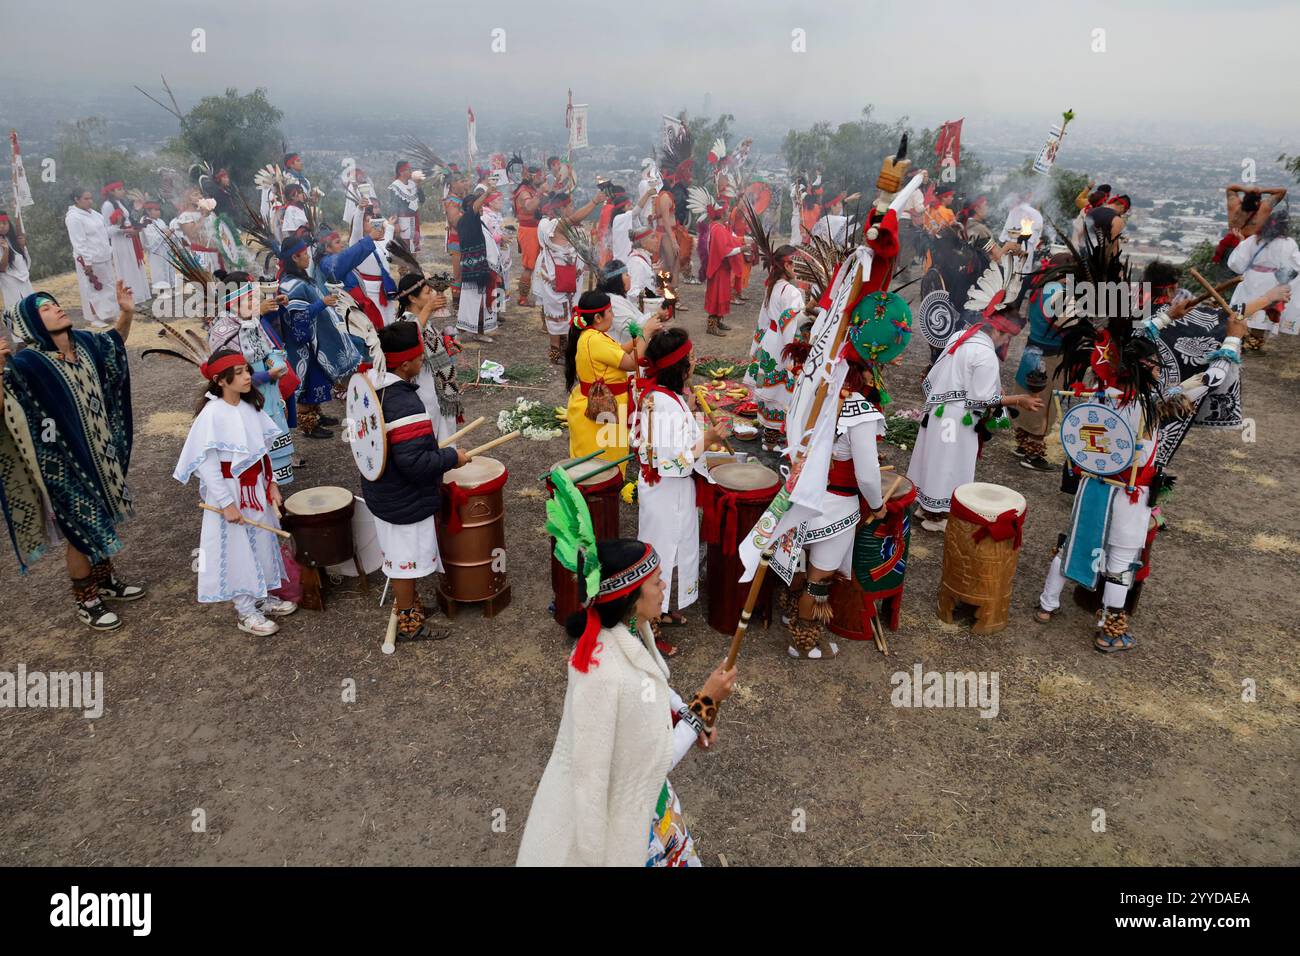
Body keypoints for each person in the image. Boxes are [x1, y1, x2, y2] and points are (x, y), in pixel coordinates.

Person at [516, 532, 737, 867]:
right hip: (625, 822)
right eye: (658, 582)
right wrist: (704, 703)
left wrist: (684, 713)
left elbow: (652, 686)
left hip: (648, 804)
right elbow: (651, 764)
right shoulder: (604, 673)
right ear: (632, 597)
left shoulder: (629, 632)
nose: (665, 588)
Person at [0, 286, 144, 629]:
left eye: (55, 303)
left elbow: (115, 345)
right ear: (33, 323)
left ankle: (104, 580)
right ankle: (86, 600)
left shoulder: (84, 342)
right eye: (46, 309)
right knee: (80, 531)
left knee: (101, 519)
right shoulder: (27, 363)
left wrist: (126, 313)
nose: (57, 309)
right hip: (60, 464)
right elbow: (5, 408)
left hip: (100, 453)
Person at [781, 300, 901, 660]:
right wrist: (878, 506)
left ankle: (793, 617)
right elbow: (866, 474)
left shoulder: (816, 393)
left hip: (802, 494)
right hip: (835, 504)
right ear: (865, 369)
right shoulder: (857, 410)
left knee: (802, 562)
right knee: (820, 576)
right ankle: (803, 642)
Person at [906, 262, 1042, 531]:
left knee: (933, 458)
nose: (1006, 343)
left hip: (938, 411)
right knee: (948, 464)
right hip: (957, 418)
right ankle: (937, 515)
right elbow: (982, 399)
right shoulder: (985, 354)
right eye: (1007, 337)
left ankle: (926, 507)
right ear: (998, 331)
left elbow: (947, 375)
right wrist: (1019, 400)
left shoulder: (961, 336)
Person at [173, 349, 297, 636]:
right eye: (239, 372)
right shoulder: (211, 415)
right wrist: (227, 503)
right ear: (221, 381)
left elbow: (263, 451)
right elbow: (206, 464)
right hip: (230, 491)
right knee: (239, 548)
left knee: (264, 539)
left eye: (246, 370)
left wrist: (272, 483)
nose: (247, 376)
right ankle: (245, 610)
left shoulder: (250, 406)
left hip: (256, 489)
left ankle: (263, 596)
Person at [360, 322, 469, 641]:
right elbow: (416, 464)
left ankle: (411, 607)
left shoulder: (369, 384)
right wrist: (453, 458)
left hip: (382, 488)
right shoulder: (405, 403)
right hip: (402, 496)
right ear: (405, 363)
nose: (423, 362)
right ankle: (409, 623)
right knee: (403, 562)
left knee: (399, 556)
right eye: (419, 358)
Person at [634, 328, 729, 657]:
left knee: (675, 551)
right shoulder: (665, 405)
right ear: (679, 367)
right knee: (661, 556)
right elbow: (673, 463)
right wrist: (709, 439)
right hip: (666, 494)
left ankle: (664, 609)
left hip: (669, 494)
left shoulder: (662, 395)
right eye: (690, 358)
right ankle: (648, 629)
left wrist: (690, 408)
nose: (694, 361)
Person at [206, 273, 296, 486]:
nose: (256, 302)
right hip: (248, 399)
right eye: (250, 299)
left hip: (269, 396)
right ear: (233, 303)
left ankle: (274, 491)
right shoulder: (224, 332)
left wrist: (274, 360)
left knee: (274, 448)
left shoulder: (251, 321)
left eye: (255, 297)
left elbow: (268, 349)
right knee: (256, 454)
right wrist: (266, 375)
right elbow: (231, 380)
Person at [564, 289, 661, 469]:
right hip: (603, 407)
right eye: (610, 312)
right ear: (598, 318)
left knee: (601, 458)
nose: (613, 315)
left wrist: (641, 335)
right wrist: (646, 332)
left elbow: (619, 350)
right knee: (604, 461)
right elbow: (632, 363)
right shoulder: (595, 340)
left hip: (598, 404)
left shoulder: (593, 335)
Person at [277, 231, 361, 439]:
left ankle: (317, 414)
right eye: (304, 254)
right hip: (304, 346)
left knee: (319, 379)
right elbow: (297, 321)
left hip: (315, 342)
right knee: (309, 382)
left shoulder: (301, 277)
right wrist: (321, 303)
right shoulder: (291, 285)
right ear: (294, 258)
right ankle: (308, 424)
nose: (308, 257)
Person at [1009, 253, 1070, 470]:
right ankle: (1033, 455)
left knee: (1029, 393)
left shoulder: (1040, 288)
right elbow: (1063, 325)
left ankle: (1022, 445)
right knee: (1044, 402)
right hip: (1050, 356)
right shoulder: (1058, 294)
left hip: (1032, 348)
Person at [744, 244, 805, 450]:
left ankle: (769, 436)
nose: (798, 268)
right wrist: (791, 356)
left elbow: (763, 318)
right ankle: (773, 439)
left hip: (769, 339)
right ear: (786, 265)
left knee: (771, 389)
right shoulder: (792, 292)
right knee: (781, 391)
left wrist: (756, 345)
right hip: (781, 343)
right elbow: (788, 324)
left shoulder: (773, 285)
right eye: (795, 263)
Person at [535, 191, 607, 363]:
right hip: (555, 280)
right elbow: (573, 219)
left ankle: (567, 349)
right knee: (556, 317)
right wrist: (594, 201)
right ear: (562, 208)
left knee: (571, 315)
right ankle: (555, 353)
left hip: (571, 280)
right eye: (571, 206)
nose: (573, 209)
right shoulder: (553, 226)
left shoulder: (569, 228)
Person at [393, 273, 458, 442]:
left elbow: (427, 341)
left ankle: (446, 461)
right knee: (431, 429)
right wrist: (429, 308)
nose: (432, 296)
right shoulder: (404, 324)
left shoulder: (424, 320)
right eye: (428, 292)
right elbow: (412, 335)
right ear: (413, 298)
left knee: (444, 432)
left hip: (438, 391)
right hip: (425, 391)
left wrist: (445, 342)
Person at [1226, 210, 1300, 348]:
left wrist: (1241, 242)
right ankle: (1255, 340)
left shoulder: (1254, 240)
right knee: (1263, 309)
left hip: (1251, 279)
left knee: (1246, 307)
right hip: (1272, 281)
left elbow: (1237, 263)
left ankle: (1241, 336)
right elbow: (1296, 264)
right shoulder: (1288, 243)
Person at [64, 188, 120, 328]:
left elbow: (104, 231)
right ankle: (94, 317)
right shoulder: (73, 217)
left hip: (103, 255)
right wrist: (86, 261)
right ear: (77, 200)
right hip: (89, 258)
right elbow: (79, 242)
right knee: (91, 287)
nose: (90, 201)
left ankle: (108, 313)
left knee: (108, 285)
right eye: (86, 199)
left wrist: (118, 226)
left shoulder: (94, 213)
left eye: (90, 198)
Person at [455, 184, 497, 342]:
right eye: (478, 205)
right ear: (470, 206)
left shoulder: (477, 221)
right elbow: (475, 206)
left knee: (480, 299)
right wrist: (486, 193)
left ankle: (477, 330)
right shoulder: (467, 219)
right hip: (473, 268)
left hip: (480, 266)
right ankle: (464, 329)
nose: (481, 208)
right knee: (471, 300)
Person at [99, 182, 149, 304]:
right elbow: (106, 229)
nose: (123, 191)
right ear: (111, 191)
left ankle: (140, 294)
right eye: (119, 189)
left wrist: (136, 227)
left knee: (134, 266)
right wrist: (123, 230)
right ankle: (132, 297)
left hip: (130, 239)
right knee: (127, 268)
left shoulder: (120, 202)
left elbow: (128, 219)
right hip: (120, 241)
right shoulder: (107, 205)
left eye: (122, 189)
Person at [1217, 182, 1287, 263]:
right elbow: (1282, 191)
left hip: (1228, 246)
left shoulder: (1234, 205)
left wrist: (1246, 189)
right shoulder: (1263, 209)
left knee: (1225, 273)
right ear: (1257, 201)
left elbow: (1230, 188)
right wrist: (1260, 190)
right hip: (1249, 247)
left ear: (1244, 198)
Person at [702, 201, 743, 336]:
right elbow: (723, 251)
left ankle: (717, 321)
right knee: (716, 295)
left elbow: (728, 242)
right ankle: (711, 326)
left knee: (721, 294)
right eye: (727, 211)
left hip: (719, 267)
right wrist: (741, 249)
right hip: (718, 268)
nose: (729, 213)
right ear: (722, 215)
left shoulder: (716, 226)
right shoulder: (718, 229)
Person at [512, 164, 545, 305]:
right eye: (539, 176)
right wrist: (540, 193)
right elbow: (529, 206)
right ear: (531, 176)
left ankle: (539, 294)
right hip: (528, 231)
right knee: (529, 265)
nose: (542, 178)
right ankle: (523, 298)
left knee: (542, 262)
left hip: (537, 228)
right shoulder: (524, 191)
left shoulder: (531, 189)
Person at [0, 210, 34, 310]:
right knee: (17, 311)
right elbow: (2, 269)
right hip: (10, 282)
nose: (2, 226)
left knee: (31, 309)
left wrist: (23, 247)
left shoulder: (11, 239)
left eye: (4, 223)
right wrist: (5, 250)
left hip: (24, 280)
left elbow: (24, 262)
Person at [138, 200, 176, 289]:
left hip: (165, 249)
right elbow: (152, 238)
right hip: (156, 251)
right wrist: (166, 233)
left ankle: (170, 286)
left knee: (168, 268)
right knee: (158, 270)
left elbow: (165, 231)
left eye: (159, 210)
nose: (158, 212)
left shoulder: (160, 220)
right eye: (156, 210)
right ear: (148, 211)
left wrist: (170, 232)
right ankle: (161, 290)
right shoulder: (145, 221)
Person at [387, 161, 424, 253]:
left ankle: (413, 267)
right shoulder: (395, 186)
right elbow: (394, 206)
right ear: (401, 171)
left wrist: (418, 185)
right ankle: (403, 267)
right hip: (402, 220)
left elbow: (422, 199)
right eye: (408, 169)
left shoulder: (413, 184)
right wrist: (396, 224)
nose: (411, 172)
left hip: (414, 220)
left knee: (414, 248)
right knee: (404, 249)